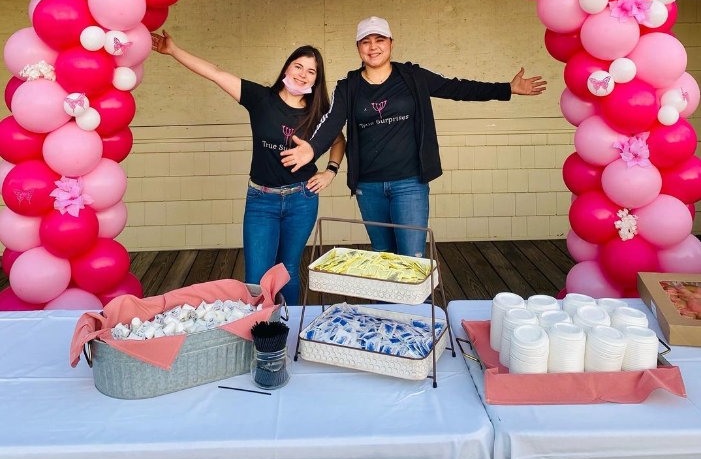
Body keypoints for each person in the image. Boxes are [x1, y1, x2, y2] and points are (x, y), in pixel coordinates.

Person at [281, 16, 546, 258]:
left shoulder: (412, 76)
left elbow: (458, 87)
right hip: (368, 187)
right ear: (358, 48)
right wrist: (312, 149)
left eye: (379, 40)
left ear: (391, 44)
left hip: (410, 184)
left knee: (411, 258)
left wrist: (507, 89)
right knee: (383, 256)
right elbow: (330, 124)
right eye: (366, 42)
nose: (373, 47)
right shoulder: (348, 86)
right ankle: (389, 310)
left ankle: (414, 311)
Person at [151, 31, 345, 304]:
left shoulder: (319, 110)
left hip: (301, 199)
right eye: (298, 66)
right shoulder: (260, 98)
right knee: (256, 278)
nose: (303, 75)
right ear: (287, 67)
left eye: (311, 71)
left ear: (317, 78)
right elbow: (215, 73)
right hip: (261, 200)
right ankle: (261, 334)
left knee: (288, 269)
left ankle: (286, 333)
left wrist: (330, 171)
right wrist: (174, 50)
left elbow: (339, 139)